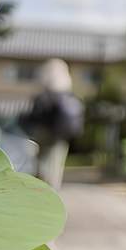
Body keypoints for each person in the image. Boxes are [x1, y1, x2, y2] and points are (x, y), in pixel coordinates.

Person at [24, 58, 84, 189]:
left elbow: (35, 115)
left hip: (44, 132)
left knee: (41, 163)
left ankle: (42, 190)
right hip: (62, 134)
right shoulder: (68, 93)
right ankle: (53, 190)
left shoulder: (45, 94)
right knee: (56, 163)